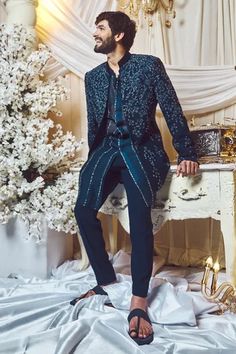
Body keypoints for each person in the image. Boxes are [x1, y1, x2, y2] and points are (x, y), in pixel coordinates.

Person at [72, 11, 199, 346]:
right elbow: (93, 125)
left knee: (140, 219)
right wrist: (93, 165)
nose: (94, 33)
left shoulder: (148, 65)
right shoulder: (92, 77)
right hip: (105, 150)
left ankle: (139, 300)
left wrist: (186, 152)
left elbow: (171, 108)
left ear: (118, 35)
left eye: (100, 27)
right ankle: (105, 278)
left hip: (141, 151)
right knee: (83, 210)